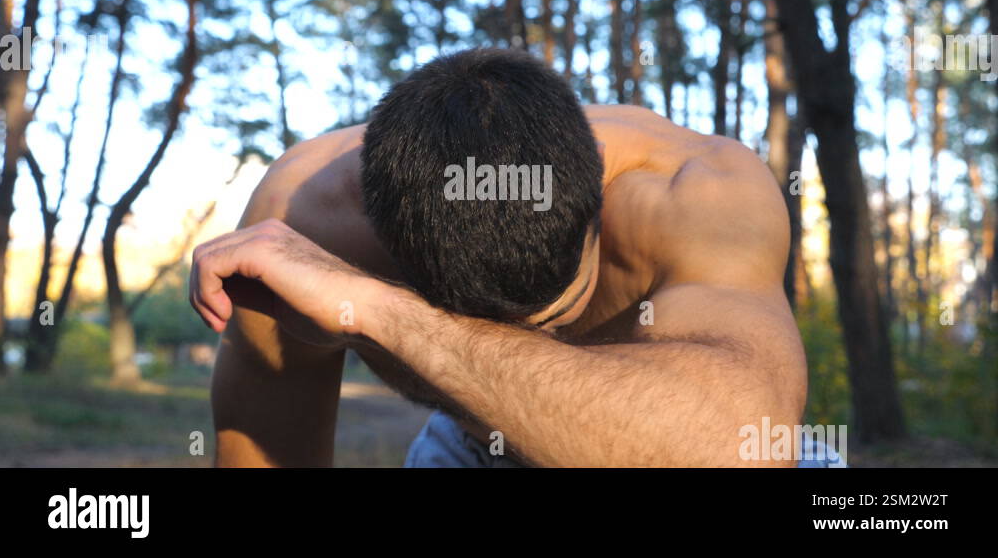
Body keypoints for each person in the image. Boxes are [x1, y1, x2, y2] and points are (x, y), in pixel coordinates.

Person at [191, 47, 828, 468]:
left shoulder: (698, 190)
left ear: (596, 208)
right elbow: (267, 446)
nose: (525, 342)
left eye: (557, 313)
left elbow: (741, 449)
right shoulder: (303, 224)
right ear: (383, 242)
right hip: (474, 450)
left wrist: (383, 313)